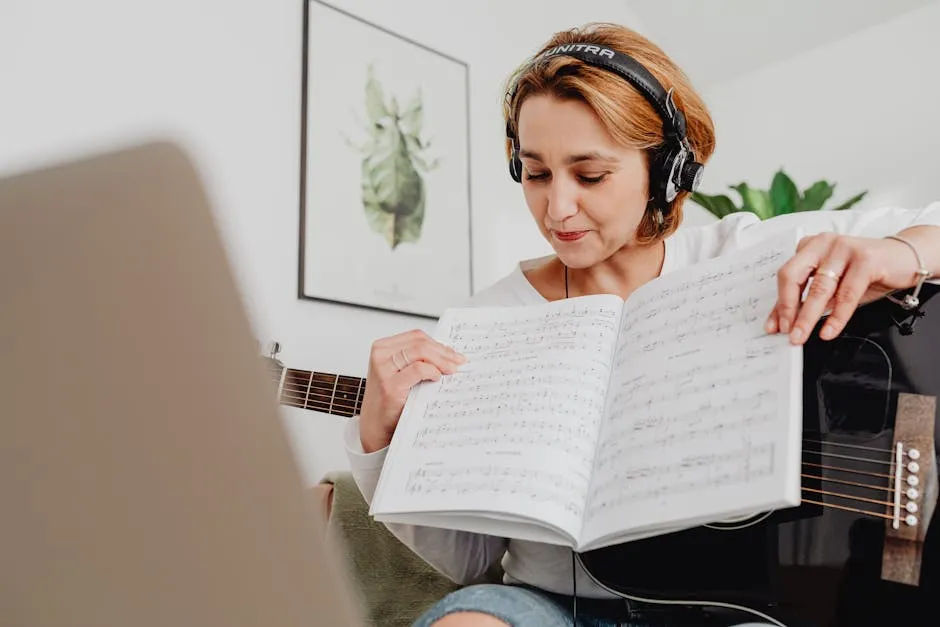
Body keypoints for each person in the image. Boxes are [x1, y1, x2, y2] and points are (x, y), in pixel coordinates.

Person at [342, 22, 940, 627]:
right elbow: (470, 560)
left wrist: (906, 252)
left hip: (723, 606)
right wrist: (379, 438)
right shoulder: (485, 323)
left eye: (590, 175)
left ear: (667, 169)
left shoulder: (750, 255)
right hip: (550, 605)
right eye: (537, 173)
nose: (558, 209)